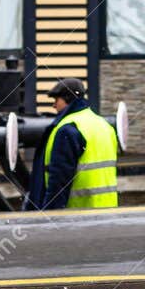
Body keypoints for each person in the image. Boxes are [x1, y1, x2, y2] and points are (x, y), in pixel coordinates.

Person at [24, 77, 118, 211]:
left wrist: (51, 214)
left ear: (68, 98)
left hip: (78, 214)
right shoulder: (104, 125)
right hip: (108, 208)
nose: (54, 105)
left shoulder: (68, 128)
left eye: (56, 100)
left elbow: (59, 179)